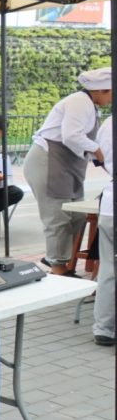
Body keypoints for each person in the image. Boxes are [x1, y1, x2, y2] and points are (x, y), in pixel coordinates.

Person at [22, 68, 112, 276]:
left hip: (67, 166)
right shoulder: (79, 102)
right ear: (102, 90)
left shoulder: (90, 106)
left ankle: (63, 261)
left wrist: (100, 156)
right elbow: (71, 136)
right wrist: (97, 150)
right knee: (58, 217)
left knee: (76, 216)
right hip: (49, 163)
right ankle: (58, 268)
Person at [93, 116, 114, 347]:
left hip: (109, 204)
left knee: (109, 268)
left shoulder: (108, 122)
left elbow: (98, 158)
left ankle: (104, 328)